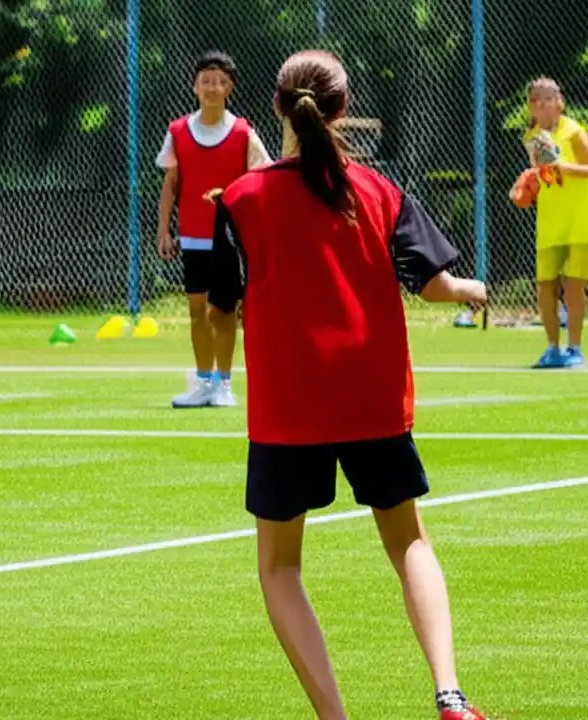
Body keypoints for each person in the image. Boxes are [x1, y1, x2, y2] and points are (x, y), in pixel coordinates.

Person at [207, 50, 489, 720]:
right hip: (373, 402)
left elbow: (221, 302)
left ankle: (335, 717)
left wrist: (220, 357)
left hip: (286, 410)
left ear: (278, 107)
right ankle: (449, 694)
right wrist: (470, 290)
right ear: (342, 109)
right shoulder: (381, 193)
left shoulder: (241, 200)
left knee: (280, 568)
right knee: (410, 543)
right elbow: (436, 283)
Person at [156, 50, 272, 408]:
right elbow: (170, 185)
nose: (212, 87)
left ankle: (224, 384)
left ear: (229, 88)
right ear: (195, 86)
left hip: (229, 239)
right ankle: (203, 382)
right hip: (191, 236)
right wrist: (164, 230)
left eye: (219, 81)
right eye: (205, 80)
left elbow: (262, 178)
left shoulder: (243, 133)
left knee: (223, 311)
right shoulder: (178, 132)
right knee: (196, 310)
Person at [521, 77, 588, 369]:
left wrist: (563, 167)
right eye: (535, 99)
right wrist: (530, 184)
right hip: (553, 216)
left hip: (582, 214)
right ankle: (552, 348)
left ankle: (575, 348)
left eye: (547, 98)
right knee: (545, 282)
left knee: (573, 285)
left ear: (560, 103)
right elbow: (549, 178)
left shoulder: (573, 132)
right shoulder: (532, 137)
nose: (541, 103)